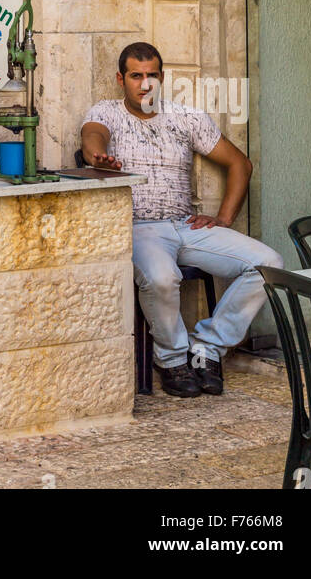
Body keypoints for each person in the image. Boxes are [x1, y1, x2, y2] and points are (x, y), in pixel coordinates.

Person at [80, 42, 284, 398]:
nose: (145, 85)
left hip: (187, 225)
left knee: (268, 263)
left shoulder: (186, 117)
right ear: (120, 79)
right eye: (136, 76)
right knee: (161, 277)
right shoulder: (106, 112)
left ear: (163, 77)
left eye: (152, 76)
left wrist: (223, 217)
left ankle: (207, 349)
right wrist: (97, 156)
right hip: (139, 227)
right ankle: (172, 359)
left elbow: (241, 164)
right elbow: (92, 138)